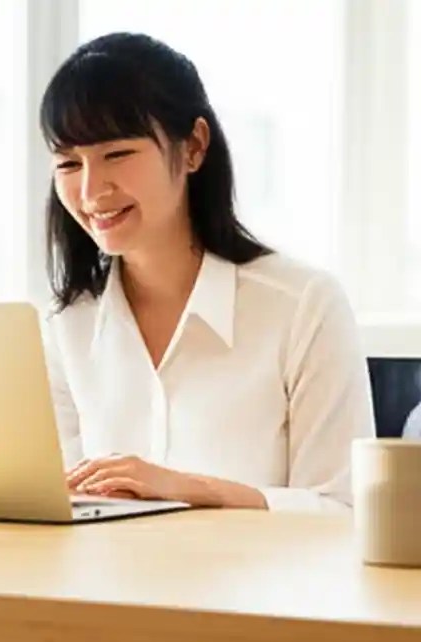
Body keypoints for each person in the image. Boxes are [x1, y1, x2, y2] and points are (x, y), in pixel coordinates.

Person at [39, 33, 374, 512]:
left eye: (117, 154)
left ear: (194, 146)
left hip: (266, 586)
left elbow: (345, 510)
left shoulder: (304, 304)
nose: (91, 191)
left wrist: (191, 490)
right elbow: (59, 507)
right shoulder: (65, 326)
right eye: (69, 163)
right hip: (103, 587)